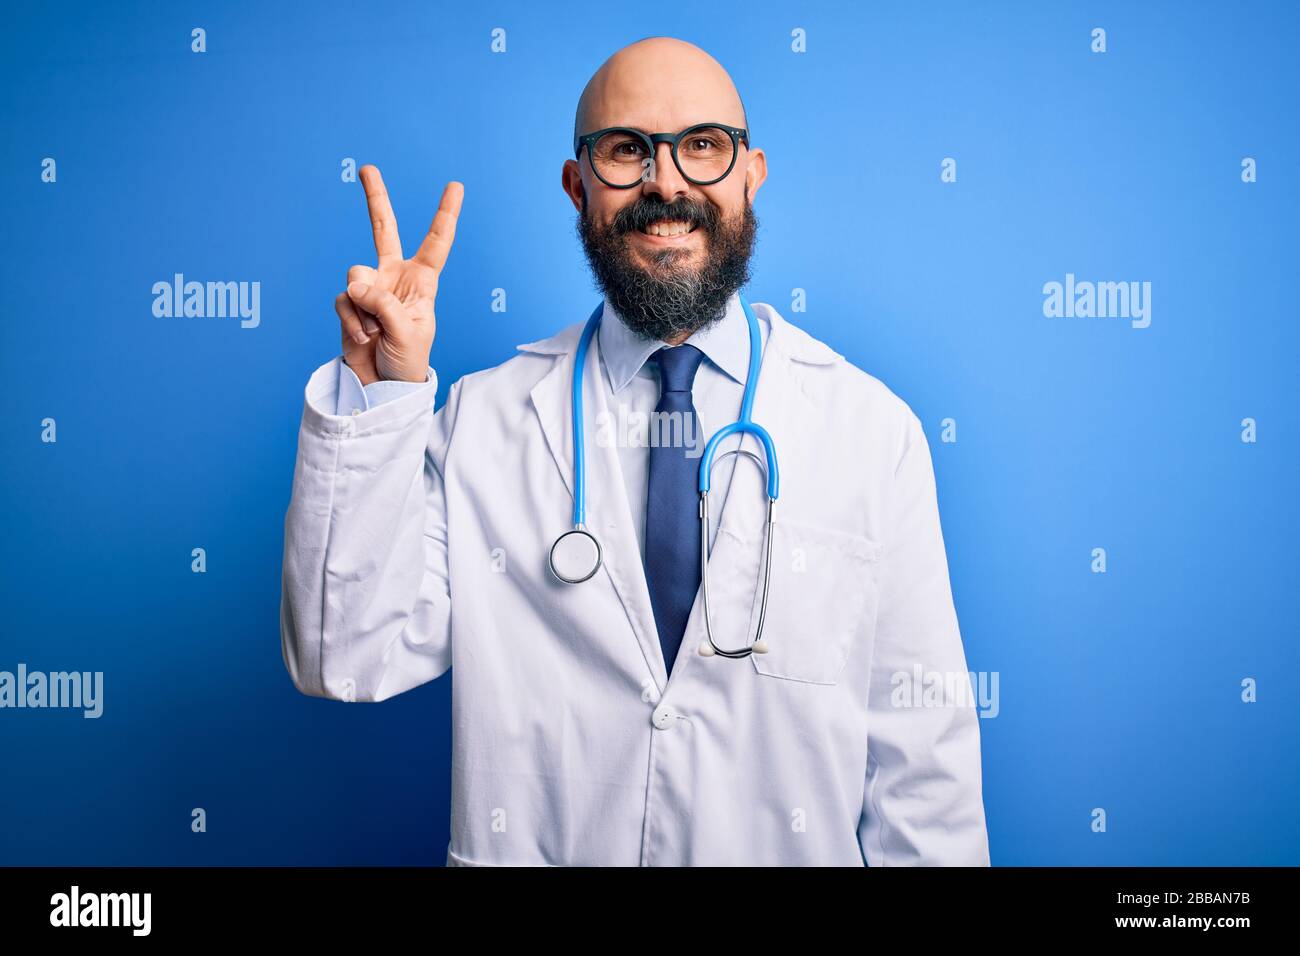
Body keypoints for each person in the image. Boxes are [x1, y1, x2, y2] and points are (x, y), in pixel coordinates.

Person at [280, 36, 991, 867]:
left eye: (702, 145)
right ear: (578, 188)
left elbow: (924, 772)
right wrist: (384, 388)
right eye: (626, 151)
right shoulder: (485, 419)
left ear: (751, 173)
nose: (666, 182)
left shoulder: (871, 431)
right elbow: (343, 654)